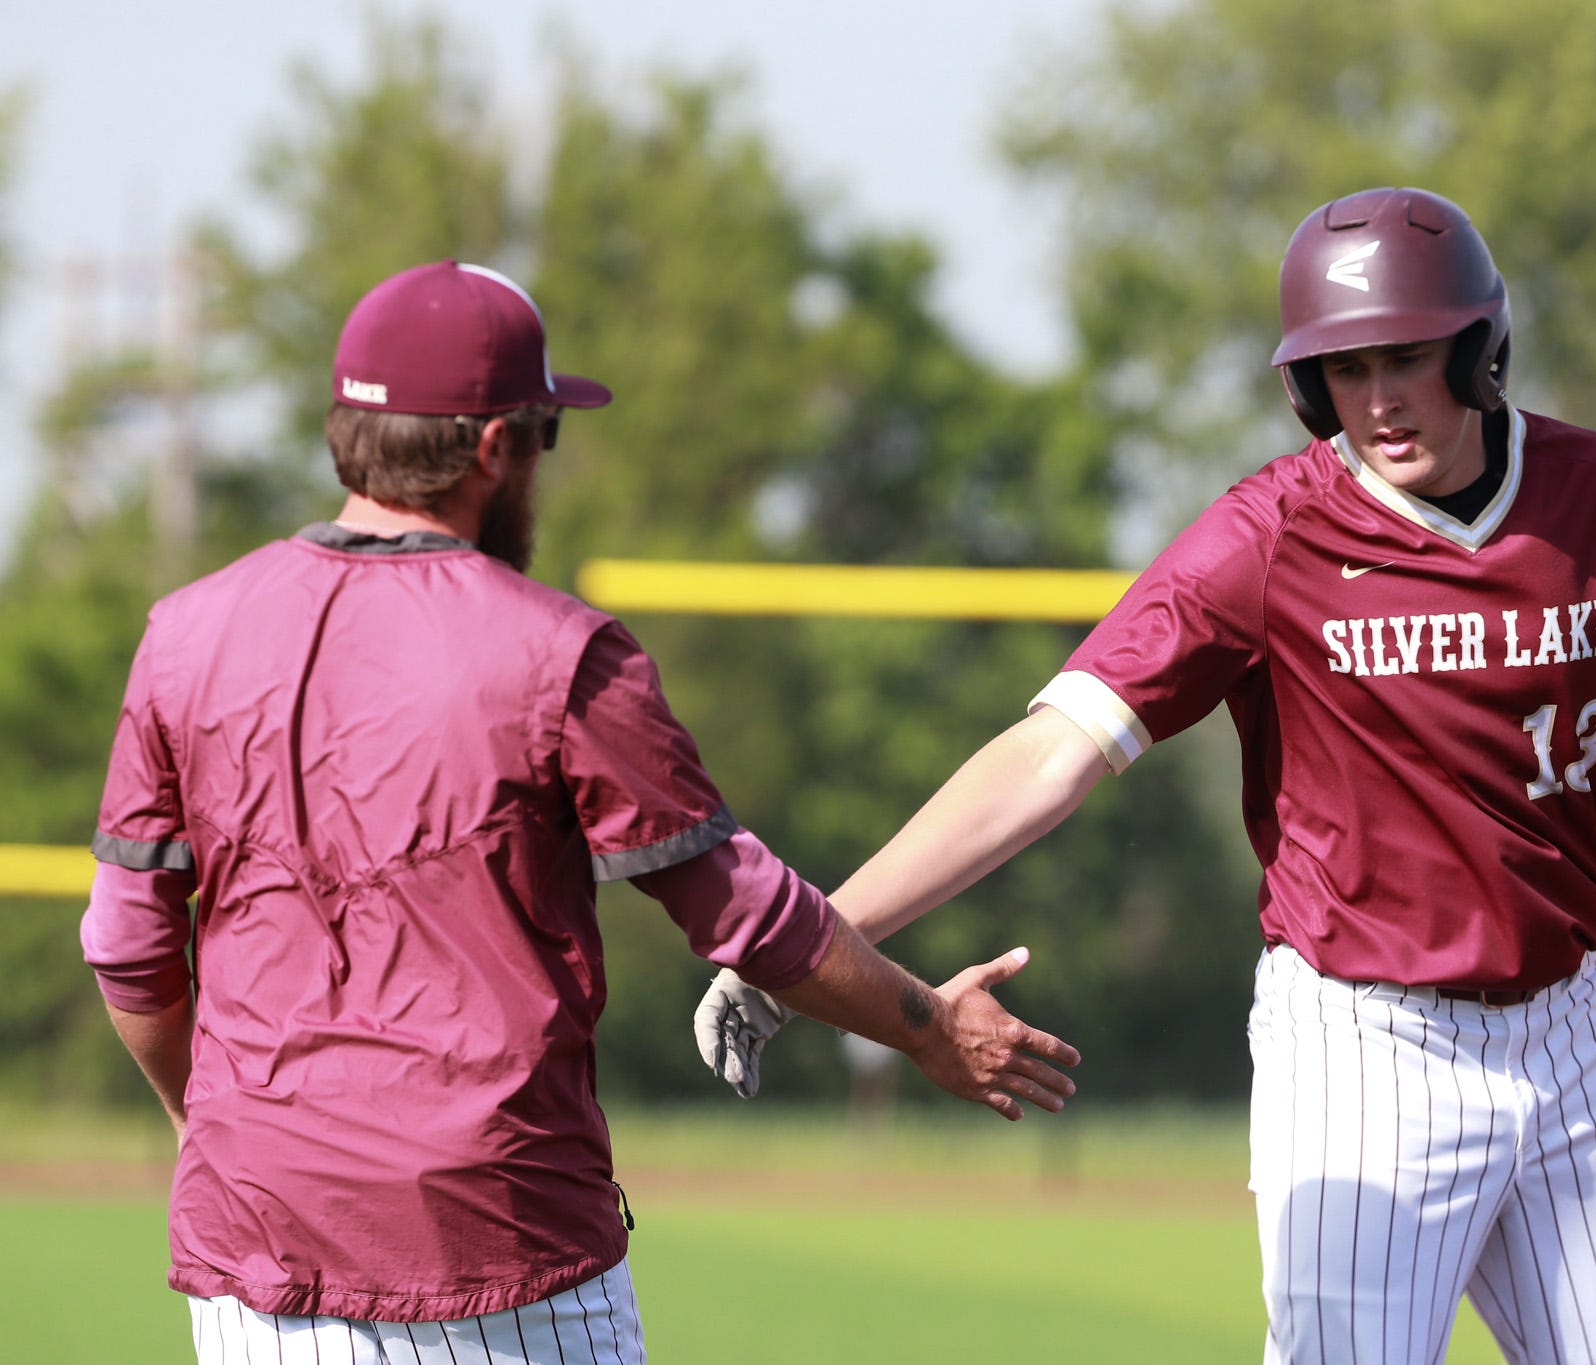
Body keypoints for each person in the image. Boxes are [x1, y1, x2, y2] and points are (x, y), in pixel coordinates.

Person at [696, 188, 1596, 1364]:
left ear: (1479, 351)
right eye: (1341, 367)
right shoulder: (1269, 535)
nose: (1375, 398)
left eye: (1407, 358)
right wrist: (813, 932)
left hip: (1571, 1026)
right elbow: (1050, 756)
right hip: (1369, 1049)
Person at [80, 259, 1079, 1365]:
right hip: (494, 1244)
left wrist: (215, 1131)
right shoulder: (559, 655)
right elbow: (746, 918)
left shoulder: (185, 633)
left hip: (254, 1254)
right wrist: (927, 1029)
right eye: (544, 436)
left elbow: (129, 948)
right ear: (498, 447)